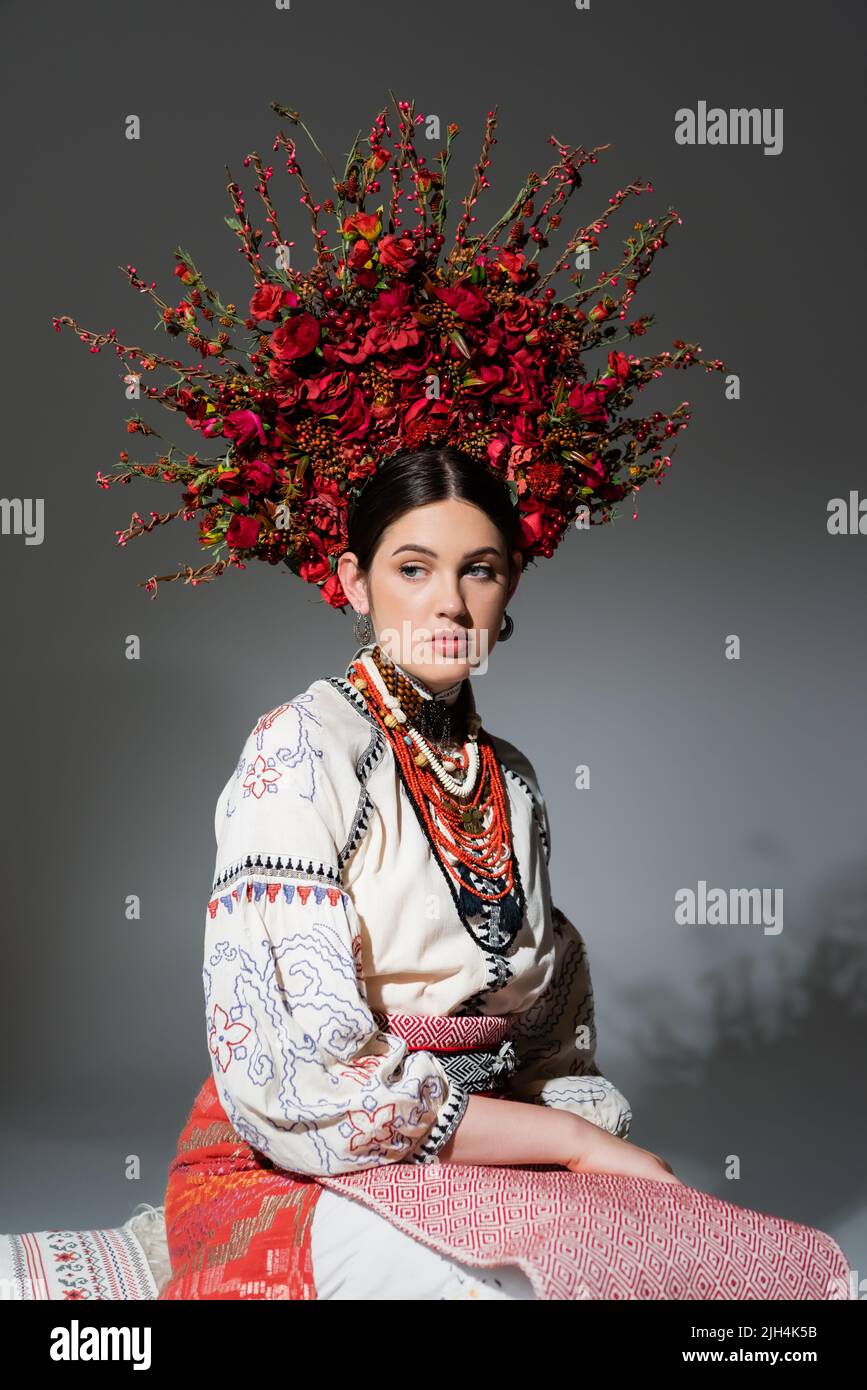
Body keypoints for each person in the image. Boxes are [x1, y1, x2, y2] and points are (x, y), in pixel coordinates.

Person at [158, 447, 852, 1300]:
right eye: (412, 568)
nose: (448, 601)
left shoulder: (511, 781)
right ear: (354, 579)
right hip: (303, 1167)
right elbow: (299, 1085)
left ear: (509, 585)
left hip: (487, 1157)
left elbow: (546, 1037)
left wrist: (579, 1145)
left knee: (758, 1275)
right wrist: (570, 1144)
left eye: (477, 570)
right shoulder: (301, 749)